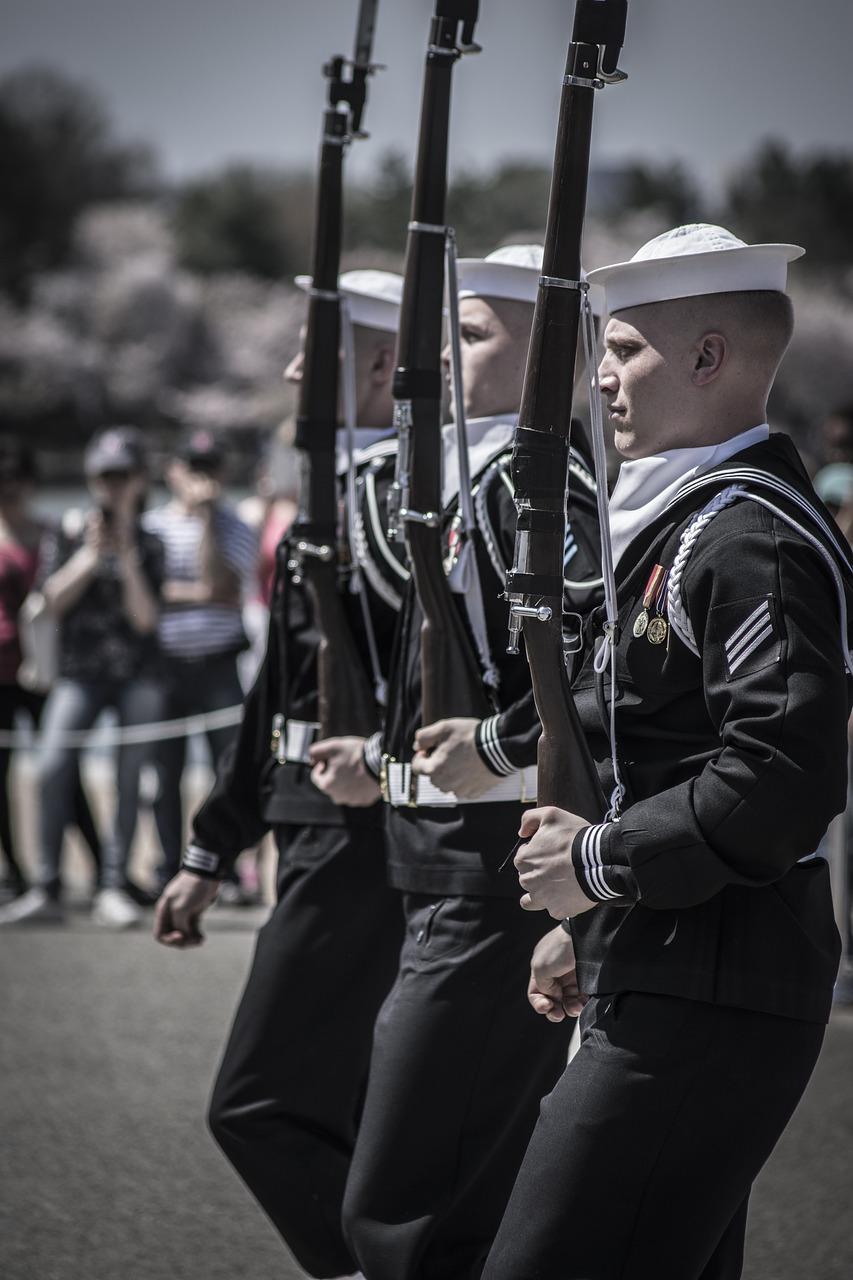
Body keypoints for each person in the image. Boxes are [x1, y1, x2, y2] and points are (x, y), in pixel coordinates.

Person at [482, 224, 852, 1280]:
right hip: (675, 960)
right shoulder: (694, 521)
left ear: (707, 356)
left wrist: (598, 863)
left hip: (716, 980)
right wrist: (595, 919)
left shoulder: (749, 536)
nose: (599, 375)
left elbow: (780, 777)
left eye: (627, 348)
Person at [314, 246, 601, 1280]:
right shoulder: (479, 481)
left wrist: (496, 746)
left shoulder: (540, 488)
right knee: (418, 1194)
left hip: (495, 860)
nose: (440, 355)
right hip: (446, 856)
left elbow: (587, 667)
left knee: (409, 1202)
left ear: (546, 355)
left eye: (471, 334)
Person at [153, 270, 407, 1280]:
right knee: (349, 1099)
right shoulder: (328, 493)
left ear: (387, 365)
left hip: (369, 827)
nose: (293, 368)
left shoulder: (400, 500)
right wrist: (216, 842)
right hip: (313, 818)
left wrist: (384, 761)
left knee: (258, 1100)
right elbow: (277, 692)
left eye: (321, 352)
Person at [0, 427, 164, 929]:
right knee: (51, 768)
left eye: (122, 476)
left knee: (129, 775)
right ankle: (47, 885)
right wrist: (92, 557)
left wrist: (128, 556)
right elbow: (50, 602)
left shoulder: (153, 538)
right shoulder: (67, 533)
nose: (112, 487)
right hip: (77, 673)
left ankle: (113, 883)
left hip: (138, 675)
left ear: (139, 480)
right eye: (103, 476)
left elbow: (146, 619)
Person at [142, 431, 258, 897]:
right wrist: (199, 595)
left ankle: (222, 868)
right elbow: (148, 597)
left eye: (209, 469)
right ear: (173, 472)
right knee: (163, 773)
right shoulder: (152, 526)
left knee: (225, 773)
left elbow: (226, 587)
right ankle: (169, 863)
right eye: (193, 468)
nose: (201, 480)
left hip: (218, 664)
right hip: (165, 668)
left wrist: (208, 519)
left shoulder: (235, 524)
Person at [0, 440, 102, 903]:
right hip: (1, 671)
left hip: (43, 668)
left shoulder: (51, 533)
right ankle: (17, 873)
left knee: (62, 769)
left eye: (15, 481)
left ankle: (101, 868)